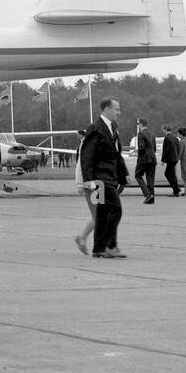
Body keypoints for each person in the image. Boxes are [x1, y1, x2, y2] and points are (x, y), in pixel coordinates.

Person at [80, 97, 128, 258]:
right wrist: (88, 179)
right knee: (116, 210)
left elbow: (116, 155)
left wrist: (123, 175)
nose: (119, 112)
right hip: (100, 178)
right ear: (106, 109)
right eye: (116, 109)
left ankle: (99, 248)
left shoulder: (113, 128)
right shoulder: (96, 128)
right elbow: (86, 155)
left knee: (103, 213)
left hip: (110, 176)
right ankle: (109, 245)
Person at [71, 128, 95, 255]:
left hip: (99, 184)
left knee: (101, 214)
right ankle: (83, 238)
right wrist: (79, 183)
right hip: (91, 185)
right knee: (98, 215)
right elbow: (81, 164)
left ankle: (83, 238)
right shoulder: (87, 145)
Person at [133, 118, 157, 205]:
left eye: (138, 124)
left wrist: (138, 152)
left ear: (141, 125)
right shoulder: (152, 134)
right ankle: (152, 198)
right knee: (150, 179)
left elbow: (141, 147)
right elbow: (154, 148)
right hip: (152, 159)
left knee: (138, 175)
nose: (138, 126)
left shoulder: (141, 134)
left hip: (143, 159)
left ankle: (148, 194)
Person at [160, 123, 181, 197]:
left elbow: (166, 150)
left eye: (163, 129)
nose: (163, 131)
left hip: (170, 159)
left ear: (165, 129)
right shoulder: (175, 138)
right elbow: (178, 148)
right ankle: (176, 189)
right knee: (172, 174)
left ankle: (176, 190)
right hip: (175, 158)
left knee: (168, 174)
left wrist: (163, 160)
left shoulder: (167, 138)